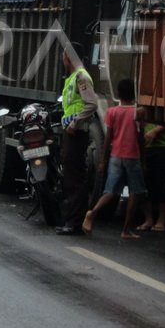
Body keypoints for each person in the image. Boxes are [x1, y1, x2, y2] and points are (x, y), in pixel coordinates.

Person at [82, 78, 146, 239]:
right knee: (136, 192)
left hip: (115, 155)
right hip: (132, 156)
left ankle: (92, 212)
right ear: (134, 93)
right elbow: (140, 136)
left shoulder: (111, 112)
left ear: (118, 93)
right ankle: (125, 230)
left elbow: (108, 137)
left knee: (110, 191)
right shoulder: (138, 112)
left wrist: (103, 160)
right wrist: (143, 157)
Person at [55, 42, 99, 236]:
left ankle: (74, 223)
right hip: (71, 133)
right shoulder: (74, 77)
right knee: (71, 177)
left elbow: (91, 104)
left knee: (75, 179)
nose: (62, 60)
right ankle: (70, 220)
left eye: (64, 56)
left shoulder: (81, 77)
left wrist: (75, 123)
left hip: (77, 134)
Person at [138, 113, 165, 232]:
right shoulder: (141, 98)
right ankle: (148, 219)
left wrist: (155, 131)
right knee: (145, 184)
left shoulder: (164, 96)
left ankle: (161, 220)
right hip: (147, 147)